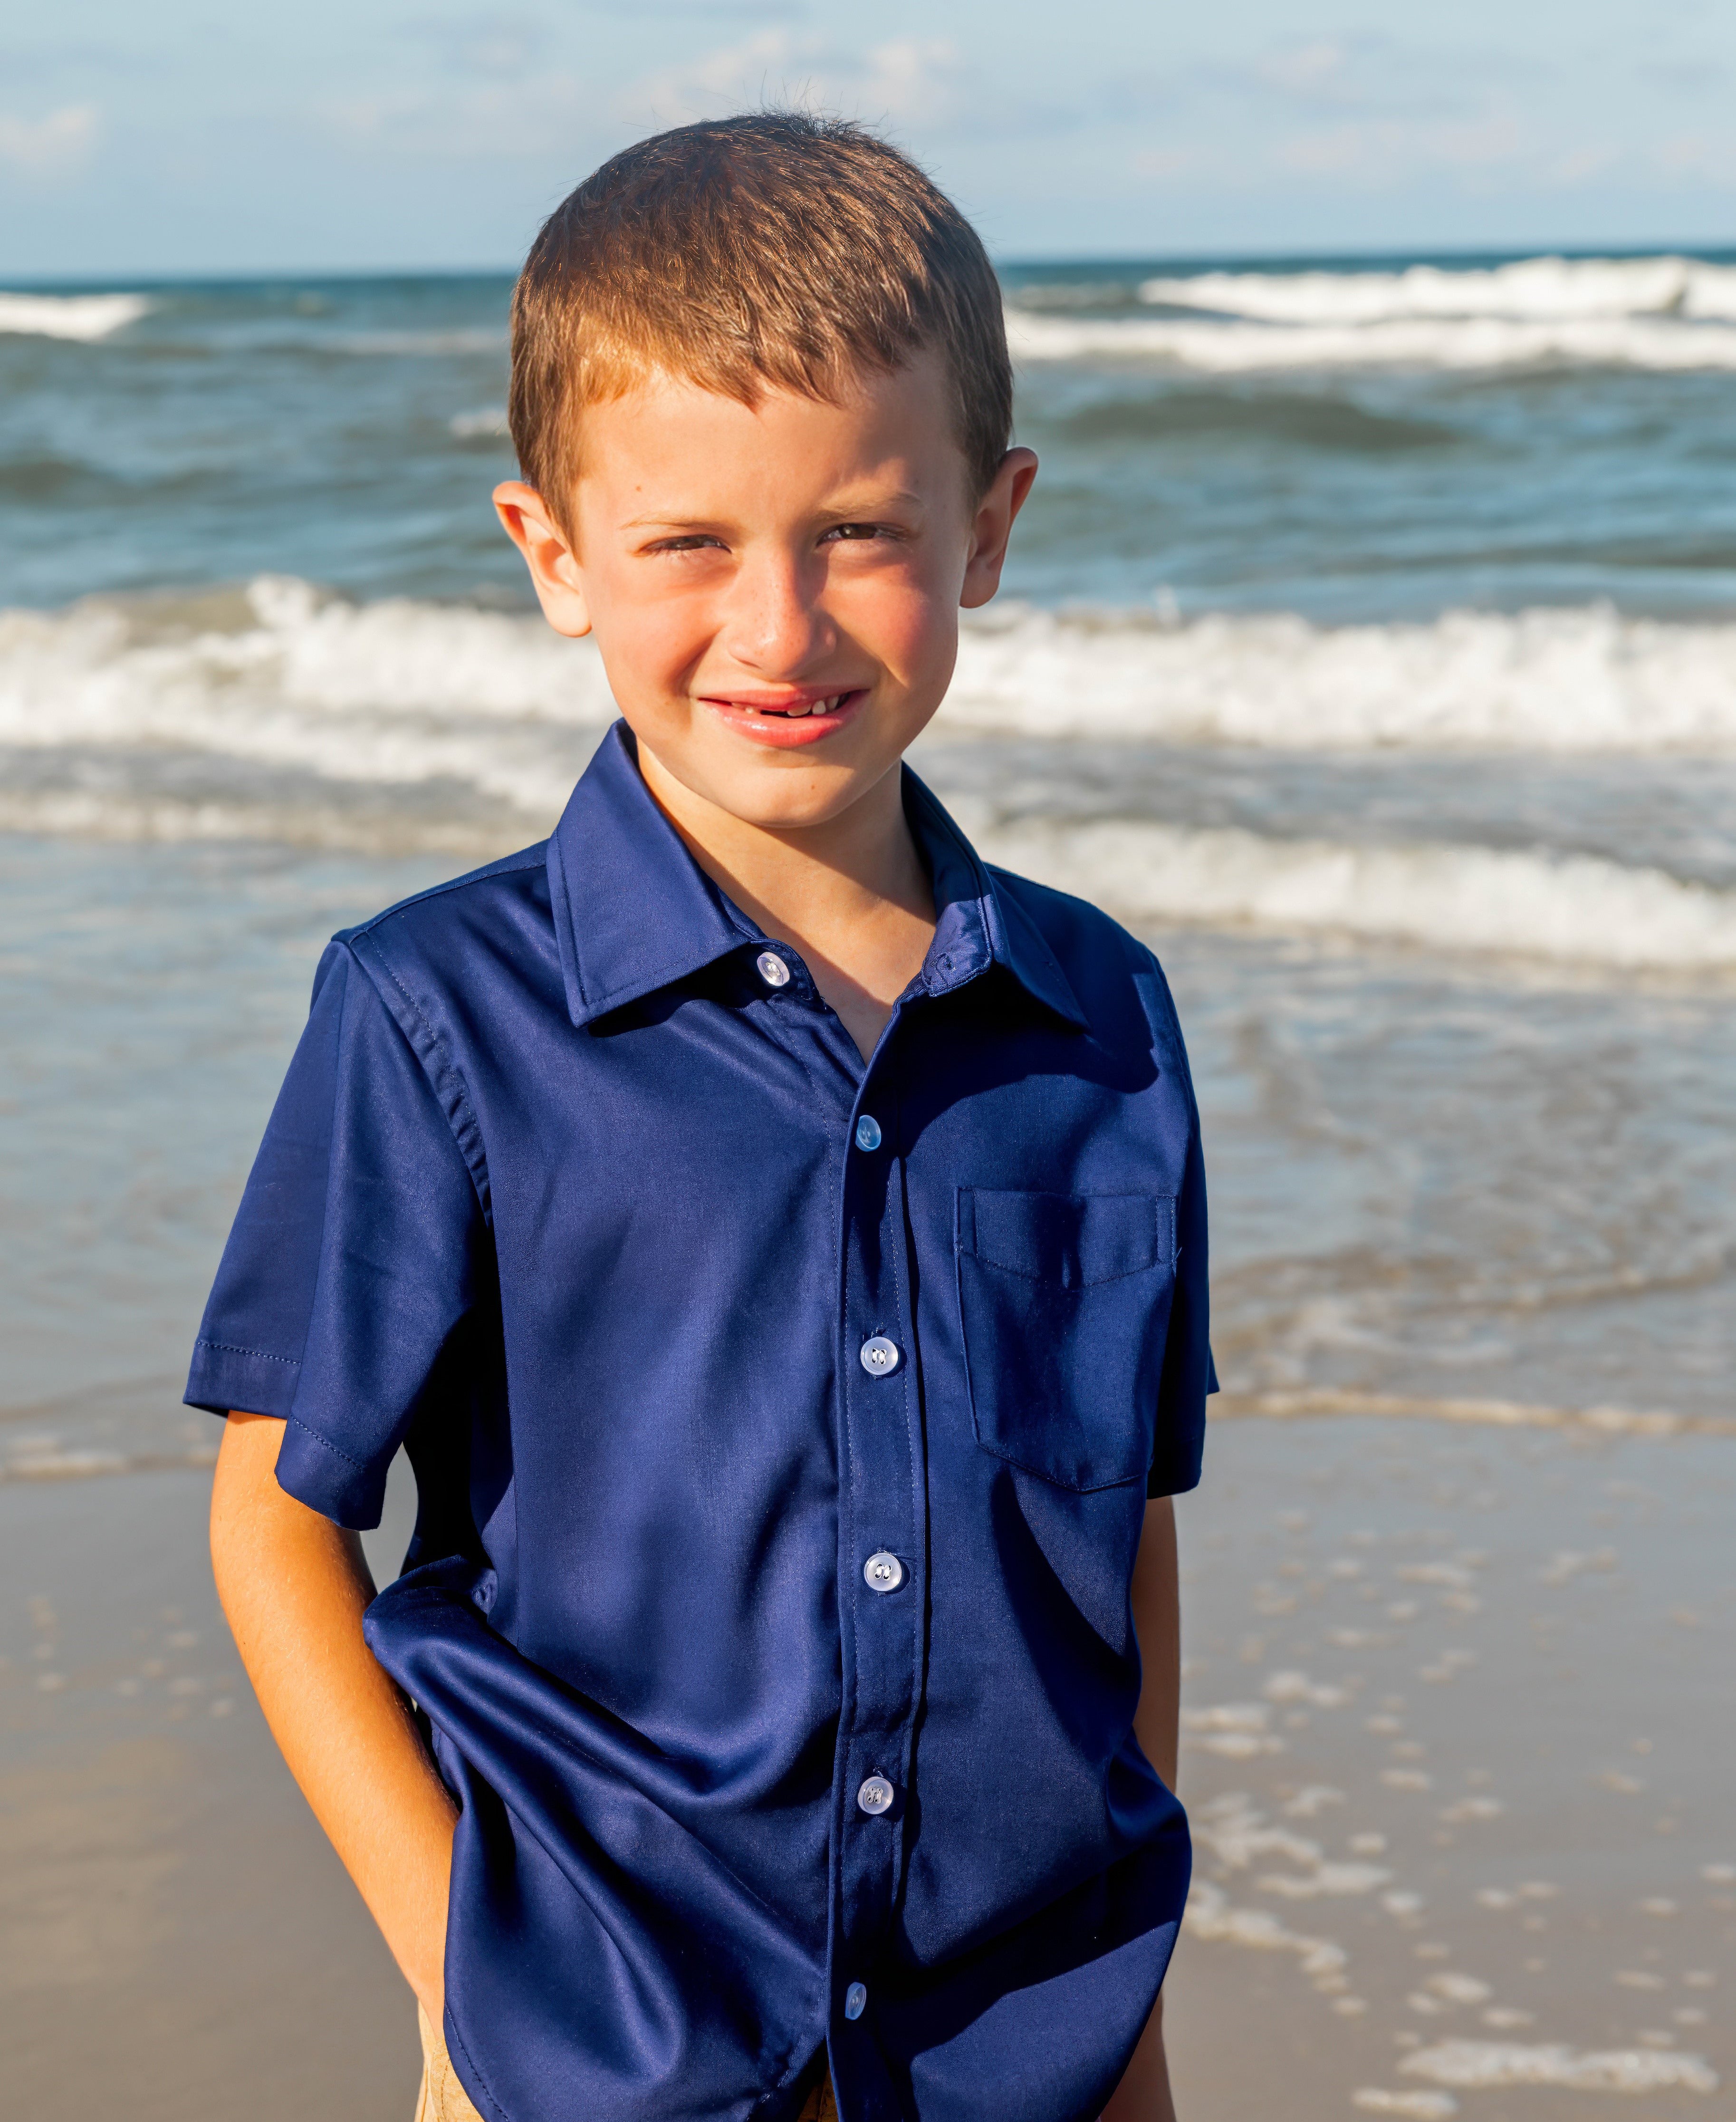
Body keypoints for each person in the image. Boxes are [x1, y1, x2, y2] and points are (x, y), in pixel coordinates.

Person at [192, 112, 1213, 2122]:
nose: (778, 626)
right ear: (551, 555)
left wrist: (1128, 2021)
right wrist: (462, 1974)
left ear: (985, 528)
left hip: (1019, 2060)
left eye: (856, 531)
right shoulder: (433, 1014)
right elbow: (274, 1519)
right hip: (590, 2061)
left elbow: (1122, 1543)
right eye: (685, 544)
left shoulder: (1099, 1020)